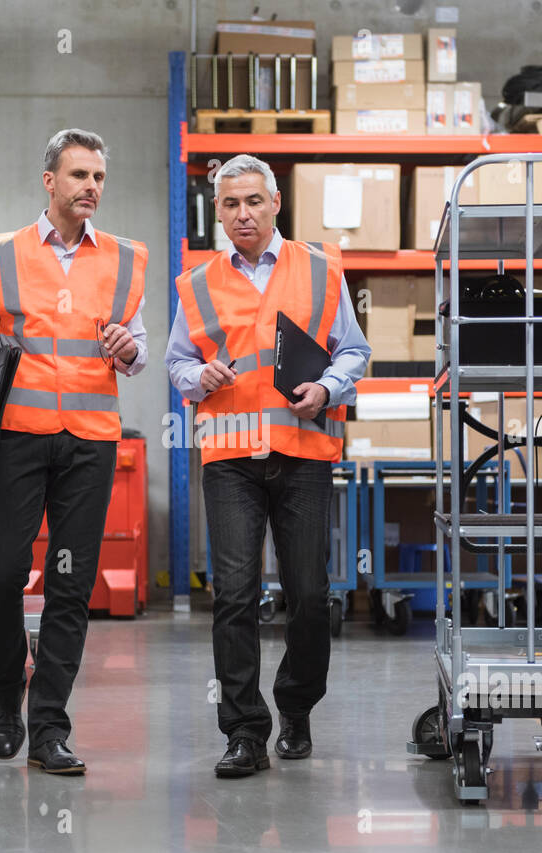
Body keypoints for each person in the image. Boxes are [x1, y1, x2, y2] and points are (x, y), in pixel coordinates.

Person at [166, 153, 370, 778]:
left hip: (302, 452)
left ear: (275, 202)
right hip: (230, 458)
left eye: (253, 201)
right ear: (218, 212)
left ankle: (298, 709)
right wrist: (199, 375)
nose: (243, 213)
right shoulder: (197, 284)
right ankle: (245, 732)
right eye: (230, 204)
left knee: (308, 593)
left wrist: (328, 390)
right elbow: (176, 364)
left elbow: (354, 350)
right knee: (233, 594)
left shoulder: (318, 269)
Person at [0, 128, 148, 775]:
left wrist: (129, 349)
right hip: (17, 441)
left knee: (70, 584)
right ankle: (8, 690)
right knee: (2, 574)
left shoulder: (122, 259)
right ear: (50, 182)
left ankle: (50, 728)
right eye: (79, 175)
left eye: (98, 177)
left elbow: (138, 349)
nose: (91, 187)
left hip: (89, 446)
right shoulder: (2, 255)